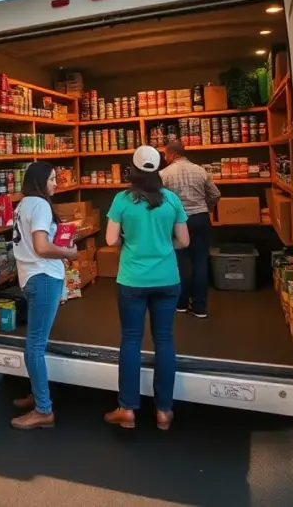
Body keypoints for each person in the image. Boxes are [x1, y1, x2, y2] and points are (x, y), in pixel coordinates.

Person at [104, 146, 190, 431]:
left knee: (131, 340)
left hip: (132, 280)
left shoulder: (122, 200)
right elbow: (185, 241)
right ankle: (164, 411)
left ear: (134, 170)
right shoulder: (172, 199)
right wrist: (164, 246)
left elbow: (110, 240)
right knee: (164, 340)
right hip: (167, 279)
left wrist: (131, 241)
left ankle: (127, 409)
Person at [9, 162, 79, 430]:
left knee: (34, 343)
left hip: (30, 277)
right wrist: (69, 253)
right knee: (36, 345)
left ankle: (37, 395)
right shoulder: (40, 205)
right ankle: (43, 409)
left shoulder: (23, 204)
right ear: (40, 181)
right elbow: (41, 246)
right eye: (51, 179)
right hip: (45, 277)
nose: (56, 184)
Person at [159, 140, 220, 318]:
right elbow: (215, 194)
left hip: (177, 221)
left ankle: (181, 303)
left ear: (172, 154)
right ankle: (200, 307)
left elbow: (158, 199)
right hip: (201, 218)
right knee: (200, 262)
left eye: (165, 154)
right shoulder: (200, 170)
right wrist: (205, 207)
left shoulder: (164, 174)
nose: (165, 158)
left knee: (180, 262)